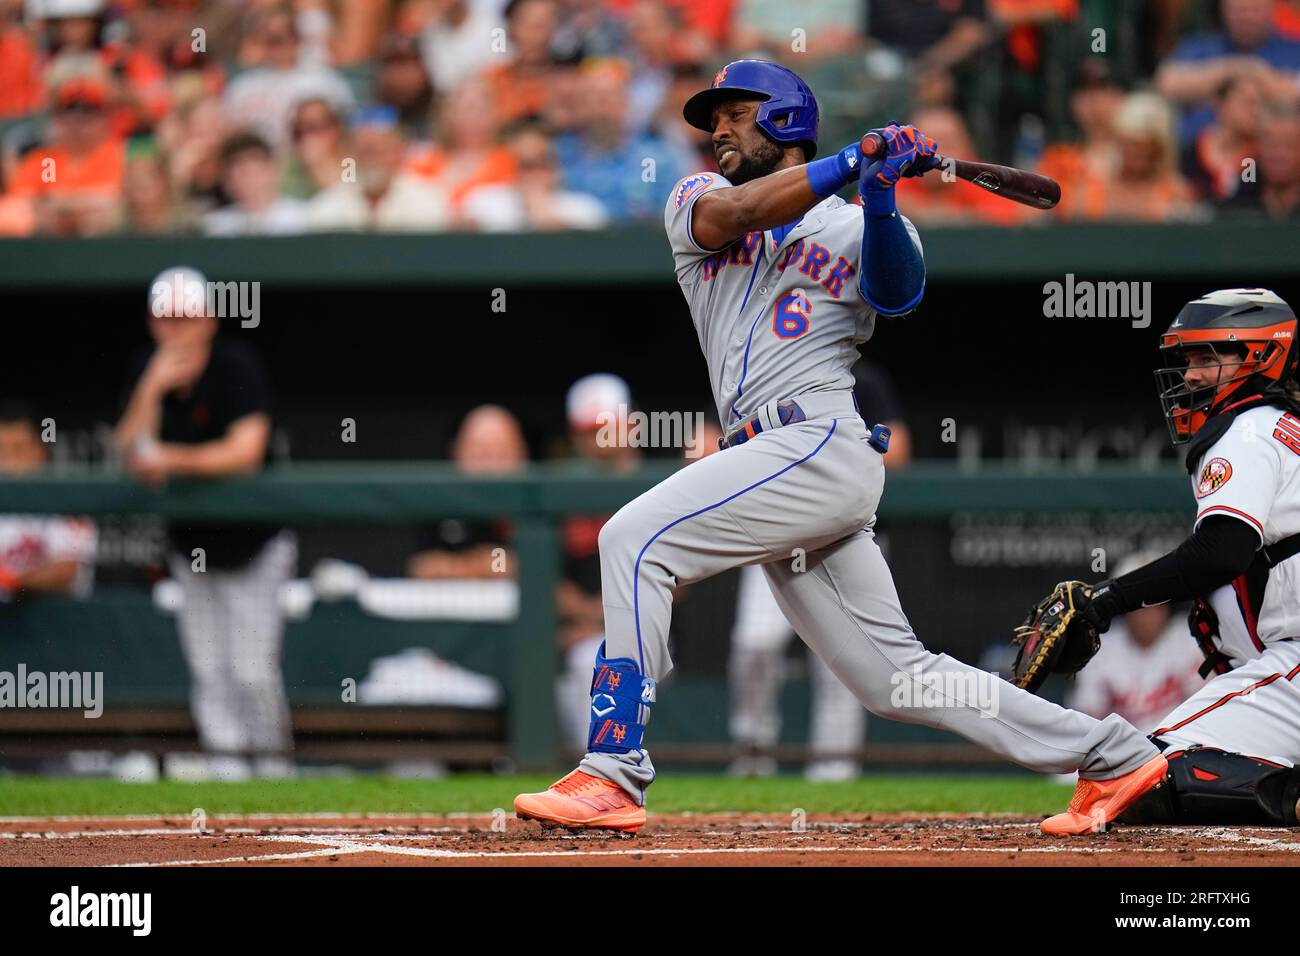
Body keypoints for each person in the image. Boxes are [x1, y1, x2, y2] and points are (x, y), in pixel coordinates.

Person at [513, 59, 1168, 836]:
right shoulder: (696, 195)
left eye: (736, 113)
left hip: (817, 438)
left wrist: (881, 197)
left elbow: (899, 293)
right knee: (897, 679)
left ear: (786, 119)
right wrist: (856, 161)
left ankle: (612, 770)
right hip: (770, 455)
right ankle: (1112, 753)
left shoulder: (853, 225)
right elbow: (738, 213)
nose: (718, 129)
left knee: (631, 539)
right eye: (713, 118)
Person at [1038, 289, 1300, 827]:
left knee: (1137, 773)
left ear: (1261, 355)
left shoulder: (1248, 429)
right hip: (1286, 661)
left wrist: (1106, 601)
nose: (1193, 374)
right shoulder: (1280, 426)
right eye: (1190, 359)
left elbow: (1220, 551)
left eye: (1209, 357)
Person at [114, 266, 295, 780]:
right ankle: (227, 779)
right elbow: (129, 453)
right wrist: (151, 387)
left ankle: (274, 775)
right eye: (167, 318)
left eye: (187, 317)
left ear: (209, 319)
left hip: (254, 544)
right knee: (210, 671)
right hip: (191, 545)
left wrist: (169, 459)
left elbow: (246, 452)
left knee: (252, 671)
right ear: (153, 322)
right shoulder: (147, 370)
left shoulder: (235, 364)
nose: (177, 329)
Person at [727, 360, 912, 782]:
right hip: (777, 534)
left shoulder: (862, 379)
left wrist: (831, 456)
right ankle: (752, 753)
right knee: (755, 643)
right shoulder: (763, 372)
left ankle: (834, 769)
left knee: (840, 658)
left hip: (844, 536)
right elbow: (703, 445)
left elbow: (899, 448)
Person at [1065, 554, 1206, 734]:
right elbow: (1086, 722)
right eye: (1140, 606)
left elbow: (1205, 713)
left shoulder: (1189, 638)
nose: (1149, 613)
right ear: (1124, 608)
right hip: (1121, 748)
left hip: (1179, 744)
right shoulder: (1100, 647)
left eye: (1156, 603)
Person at [407, 405, 527, 580]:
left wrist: (460, 565)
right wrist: (479, 565)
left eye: (501, 451)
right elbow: (423, 568)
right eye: (480, 451)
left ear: (521, 454)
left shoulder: (533, 506)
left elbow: (513, 566)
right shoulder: (437, 502)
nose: (490, 463)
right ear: (457, 452)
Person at [1155, 0, 1300, 145]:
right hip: (1197, 146)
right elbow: (1167, 84)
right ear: (1223, 10)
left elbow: (1295, 93)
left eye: (1255, 10)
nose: (1247, 17)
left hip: (1273, 149)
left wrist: (1259, 75)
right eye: (1240, 10)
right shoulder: (1202, 46)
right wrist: (1237, 67)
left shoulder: (1294, 49)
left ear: (1272, 9)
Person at [0, 402, 97, 600]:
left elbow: (65, 572)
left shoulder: (66, 503)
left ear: (40, 452)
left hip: (53, 616)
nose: (8, 461)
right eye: (1, 450)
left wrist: (10, 581)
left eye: (18, 449)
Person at [307, 107, 451, 231]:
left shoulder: (427, 201)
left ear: (398, 153)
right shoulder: (328, 205)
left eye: (379, 151)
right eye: (364, 152)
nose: (372, 161)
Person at [461, 122, 608, 231]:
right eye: (525, 165)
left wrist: (545, 218)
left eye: (541, 163)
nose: (533, 174)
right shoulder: (483, 201)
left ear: (556, 167)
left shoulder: (584, 208)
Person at [202, 130, 308, 236]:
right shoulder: (215, 226)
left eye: (251, 171)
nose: (247, 181)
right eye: (239, 173)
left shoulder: (303, 219)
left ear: (273, 169)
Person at [1217, 102, 1300, 220]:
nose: (1279, 155)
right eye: (1271, 145)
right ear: (1257, 146)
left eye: (1289, 145)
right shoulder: (1242, 193)